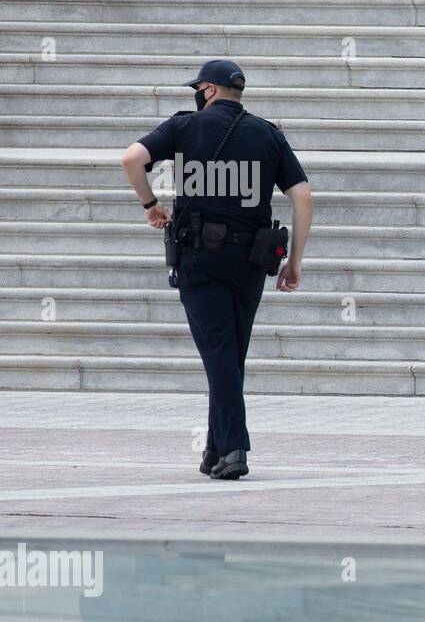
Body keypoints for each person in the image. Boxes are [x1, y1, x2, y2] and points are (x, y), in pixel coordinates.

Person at [120, 59, 313, 480]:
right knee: (228, 355)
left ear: (208, 90)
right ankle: (214, 448)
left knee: (220, 354)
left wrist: (151, 206)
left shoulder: (184, 127)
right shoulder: (267, 133)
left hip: (200, 259)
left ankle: (235, 449)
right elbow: (303, 197)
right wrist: (295, 260)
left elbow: (131, 159)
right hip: (250, 262)